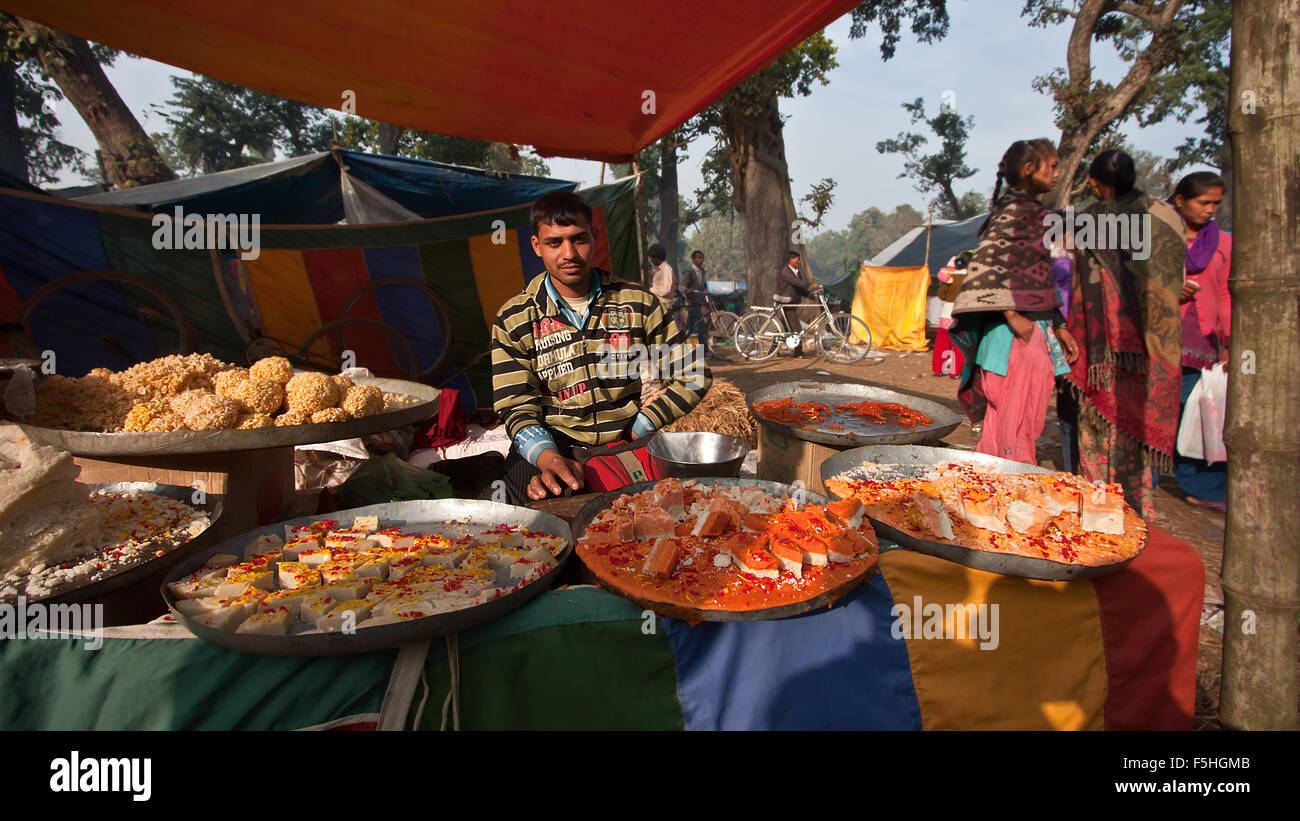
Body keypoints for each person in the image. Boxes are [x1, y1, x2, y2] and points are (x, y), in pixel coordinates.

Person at [492, 192, 710, 502]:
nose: (569, 253)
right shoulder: (515, 319)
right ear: (536, 246)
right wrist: (547, 458)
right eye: (555, 242)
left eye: (578, 239)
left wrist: (642, 424)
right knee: (531, 516)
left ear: (594, 237)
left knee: (654, 514)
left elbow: (694, 373)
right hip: (551, 444)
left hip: (624, 441)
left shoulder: (638, 304)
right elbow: (516, 406)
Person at [1064, 150, 1186, 520]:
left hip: (1101, 347)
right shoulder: (1166, 216)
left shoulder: (1088, 220)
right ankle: (1138, 506)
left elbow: (1080, 281)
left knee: (1098, 424)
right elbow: (1173, 281)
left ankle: (1100, 509)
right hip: (1154, 342)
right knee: (1139, 425)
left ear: (1096, 184)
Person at [950, 139, 1079, 466]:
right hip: (1014, 338)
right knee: (1012, 423)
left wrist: (1059, 325)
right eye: (1051, 166)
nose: (1057, 172)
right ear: (1028, 170)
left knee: (1019, 422)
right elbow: (989, 268)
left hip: (1034, 331)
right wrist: (1011, 314)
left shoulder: (1031, 213)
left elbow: (1038, 275)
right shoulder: (1014, 213)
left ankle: (997, 489)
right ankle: (1005, 491)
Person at [1170, 171, 1231, 509]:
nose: (1210, 209)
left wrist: (1229, 340)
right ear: (1180, 200)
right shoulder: (1161, 237)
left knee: (1197, 413)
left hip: (1203, 341)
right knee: (1160, 410)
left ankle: (1201, 487)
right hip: (1163, 335)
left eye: (1216, 203)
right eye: (1202, 202)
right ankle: (1142, 479)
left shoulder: (1224, 243)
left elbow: (1224, 294)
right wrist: (1169, 289)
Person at [679, 250, 711, 342]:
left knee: (694, 326)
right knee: (697, 326)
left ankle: (681, 342)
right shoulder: (689, 271)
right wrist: (686, 290)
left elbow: (703, 287)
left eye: (702, 258)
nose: (702, 260)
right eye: (699, 258)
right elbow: (682, 285)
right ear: (693, 259)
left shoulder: (702, 271)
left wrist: (706, 292)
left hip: (700, 303)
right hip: (692, 303)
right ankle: (702, 351)